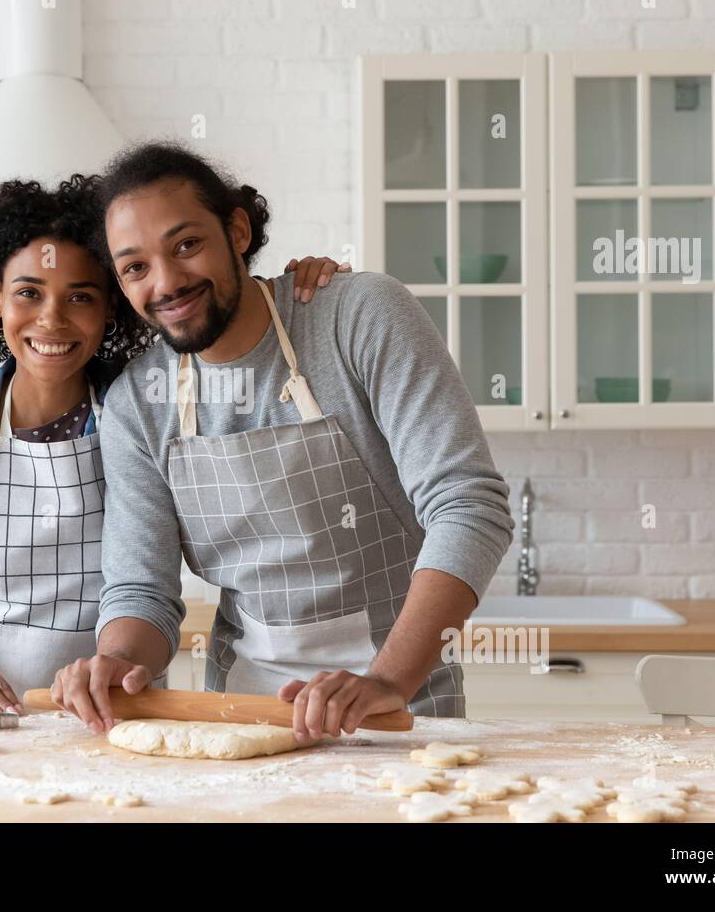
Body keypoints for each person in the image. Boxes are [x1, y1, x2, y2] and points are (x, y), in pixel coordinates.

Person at [51, 142, 515, 741]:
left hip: (399, 709)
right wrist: (119, 657)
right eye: (135, 266)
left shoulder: (359, 317)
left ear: (237, 230)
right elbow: (142, 587)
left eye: (186, 244)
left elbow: (469, 506)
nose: (166, 282)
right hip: (240, 719)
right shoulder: (139, 403)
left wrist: (386, 681)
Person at [0, 173, 347, 711]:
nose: (51, 319)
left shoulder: (144, 410)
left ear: (111, 310)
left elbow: (220, 307)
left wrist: (300, 292)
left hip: (113, 704)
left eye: (81, 297)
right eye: (28, 292)